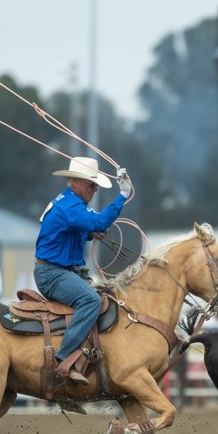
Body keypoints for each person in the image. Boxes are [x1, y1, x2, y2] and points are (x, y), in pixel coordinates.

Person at [32, 157, 131, 385]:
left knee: (105, 297)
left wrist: (88, 233)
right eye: (91, 184)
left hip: (59, 270)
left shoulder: (69, 203)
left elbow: (66, 230)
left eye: (94, 184)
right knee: (91, 301)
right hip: (53, 273)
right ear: (75, 182)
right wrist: (122, 196)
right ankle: (63, 358)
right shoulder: (71, 207)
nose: (94, 189)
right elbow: (97, 223)